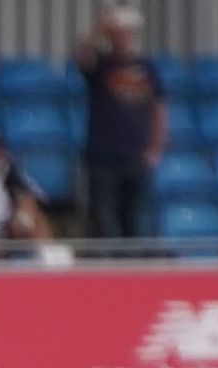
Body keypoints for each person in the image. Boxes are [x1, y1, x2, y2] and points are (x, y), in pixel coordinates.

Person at [76, 5, 166, 241]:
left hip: (136, 157)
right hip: (102, 156)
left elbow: (159, 109)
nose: (123, 36)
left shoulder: (147, 68)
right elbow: (82, 52)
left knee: (137, 223)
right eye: (118, 32)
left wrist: (155, 150)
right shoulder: (101, 66)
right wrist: (100, 26)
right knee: (104, 223)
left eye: (127, 32)